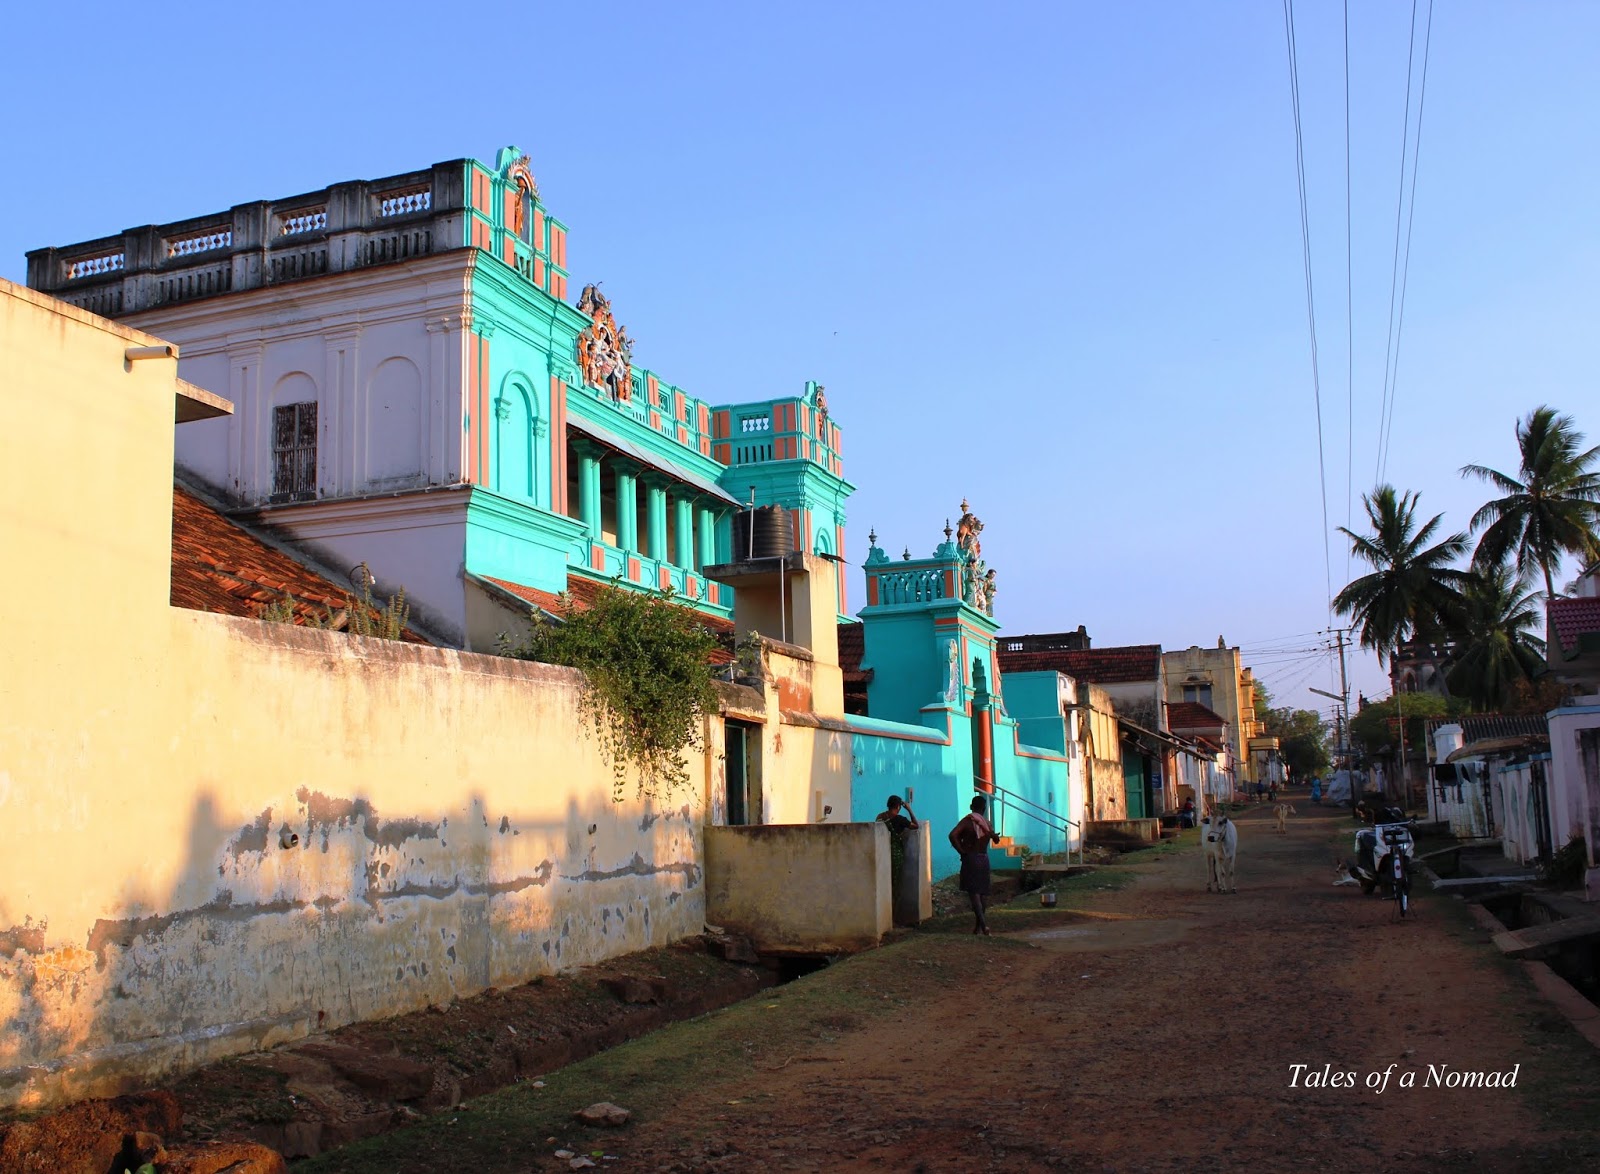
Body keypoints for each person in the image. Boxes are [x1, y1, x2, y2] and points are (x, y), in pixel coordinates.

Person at [949, 795, 1001, 935]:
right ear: (984, 809)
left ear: (971, 807)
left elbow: (952, 835)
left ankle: (983, 926)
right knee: (982, 893)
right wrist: (993, 836)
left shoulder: (968, 821)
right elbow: (996, 840)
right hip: (984, 859)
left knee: (974, 894)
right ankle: (978, 928)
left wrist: (962, 851)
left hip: (971, 858)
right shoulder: (987, 824)